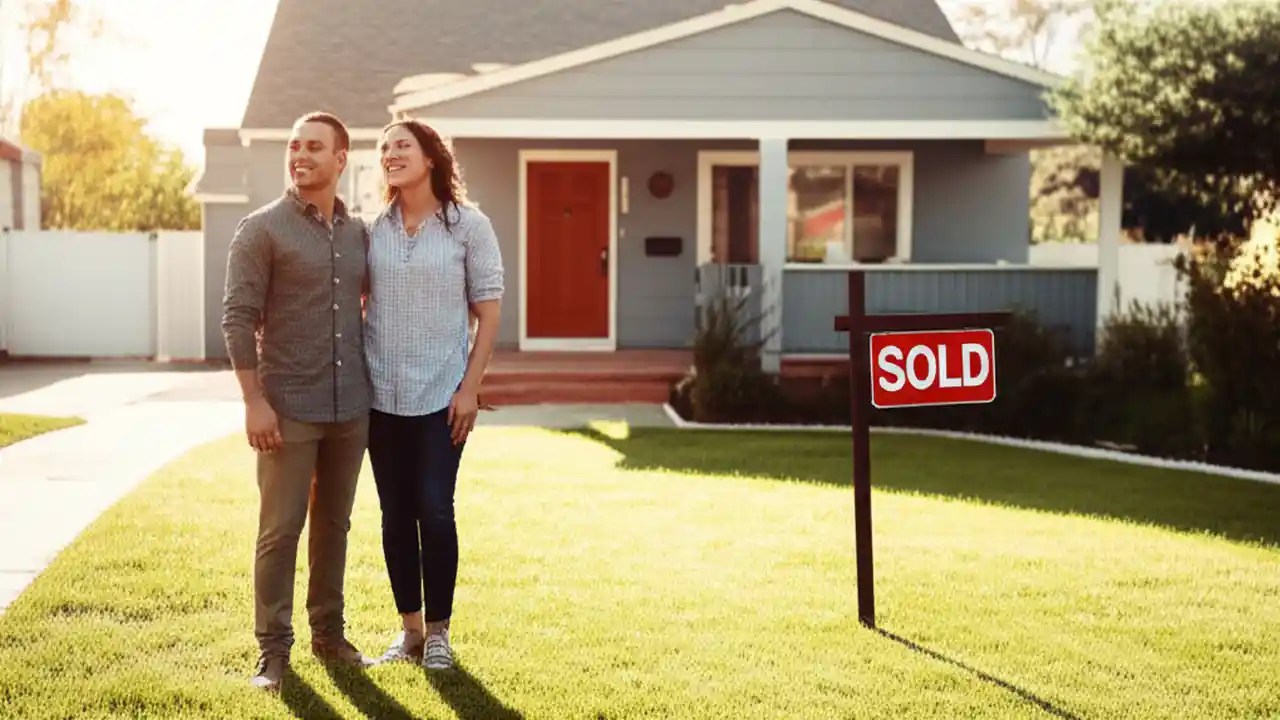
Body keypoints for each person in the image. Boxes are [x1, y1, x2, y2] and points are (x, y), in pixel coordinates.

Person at [222, 111, 375, 692]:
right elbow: (237, 317)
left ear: (342, 159)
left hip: (350, 408)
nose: (300, 154)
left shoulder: (360, 233)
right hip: (286, 406)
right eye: (294, 145)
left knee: (334, 526)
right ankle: (273, 650)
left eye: (315, 146)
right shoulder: (261, 229)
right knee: (280, 530)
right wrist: (252, 400)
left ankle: (329, 635)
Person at [362, 119, 503, 670]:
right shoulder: (373, 229)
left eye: (403, 145)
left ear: (430, 158)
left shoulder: (468, 226)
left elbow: (488, 312)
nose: (391, 154)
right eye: (384, 148)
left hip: (442, 396)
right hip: (380, 397)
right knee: (395, 515)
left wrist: (470, 388)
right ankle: (411, 633)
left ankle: (440, 634)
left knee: (434, 510)